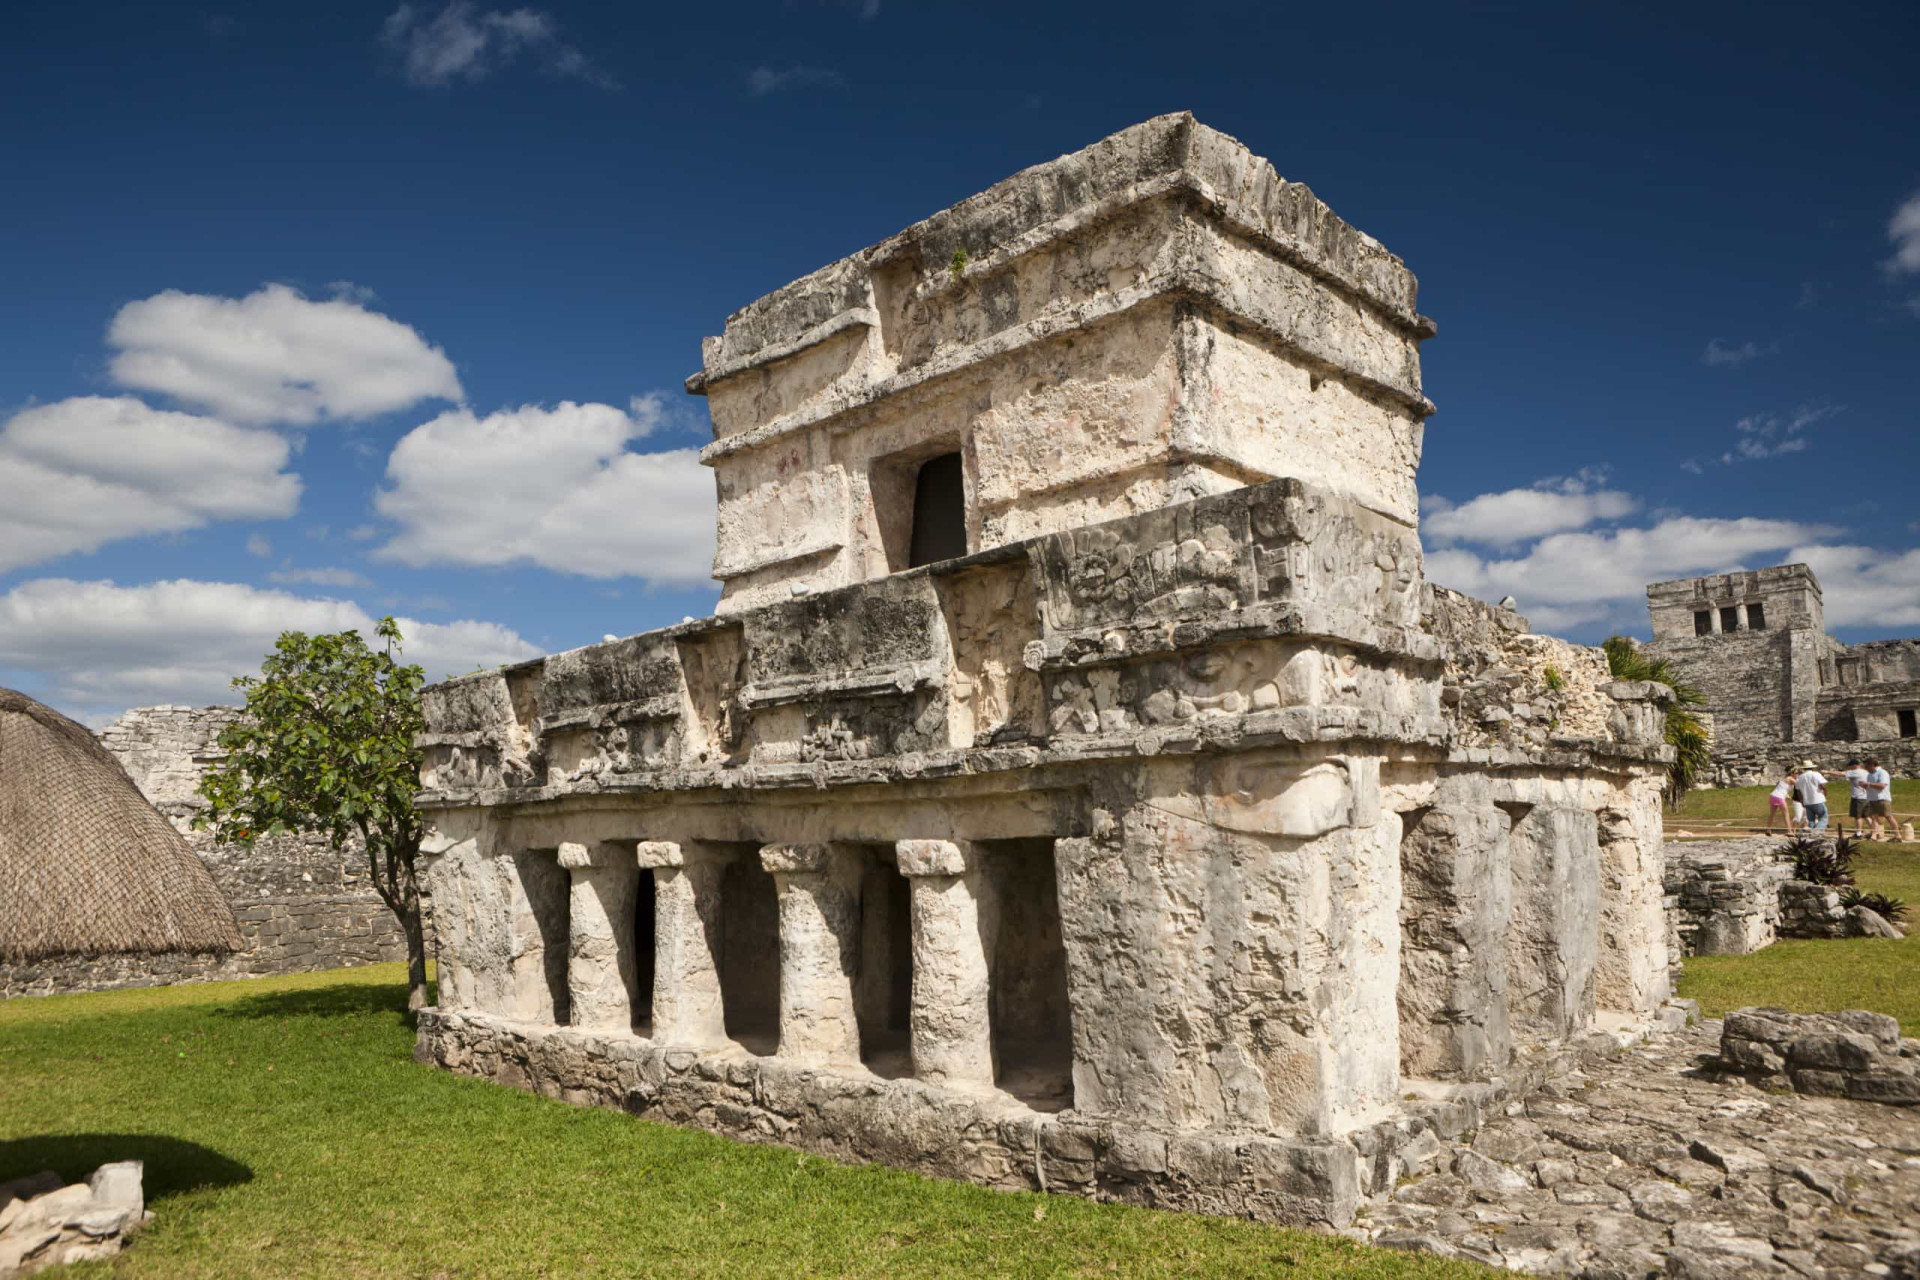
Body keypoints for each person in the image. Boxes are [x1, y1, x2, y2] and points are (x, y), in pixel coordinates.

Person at [1862, 756, 1896, 842]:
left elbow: (1882, 786)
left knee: (1888, 817)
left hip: (1882, 798)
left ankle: (1897, 835)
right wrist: (1865, 786)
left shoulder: (1882, 773)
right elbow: (1870, 786)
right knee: (1874, 817)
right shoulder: (1869, 774)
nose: (1865, 768)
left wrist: (1868, 784)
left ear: (1872, 765)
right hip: (1872, 799)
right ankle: (1873, 836)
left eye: (1866, 766)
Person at [1837, 758, 1870, 836]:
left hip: (1858, 797)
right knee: (1866, 816)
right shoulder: (1865, 772)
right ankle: (1875, 831)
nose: (1850, 768)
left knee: (1857, 816)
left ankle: (1858, 833)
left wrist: (1827, 772)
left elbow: (1840, 774)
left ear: (1855, 765)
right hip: (1867, 796)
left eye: (1851, 766)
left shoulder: (1855, 772)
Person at [1793, 760, 1829, 831]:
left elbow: (1798, 791)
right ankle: (1817, 832)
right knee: (1823, 817)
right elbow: (1822, 785)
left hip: (1807, 801)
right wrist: (1825, 792)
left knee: (1811, 820)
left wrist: (1802, 800)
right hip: (1818, 799)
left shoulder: (1799, 778)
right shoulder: (1816, 774)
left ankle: (1811, 833)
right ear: (1812, 768)